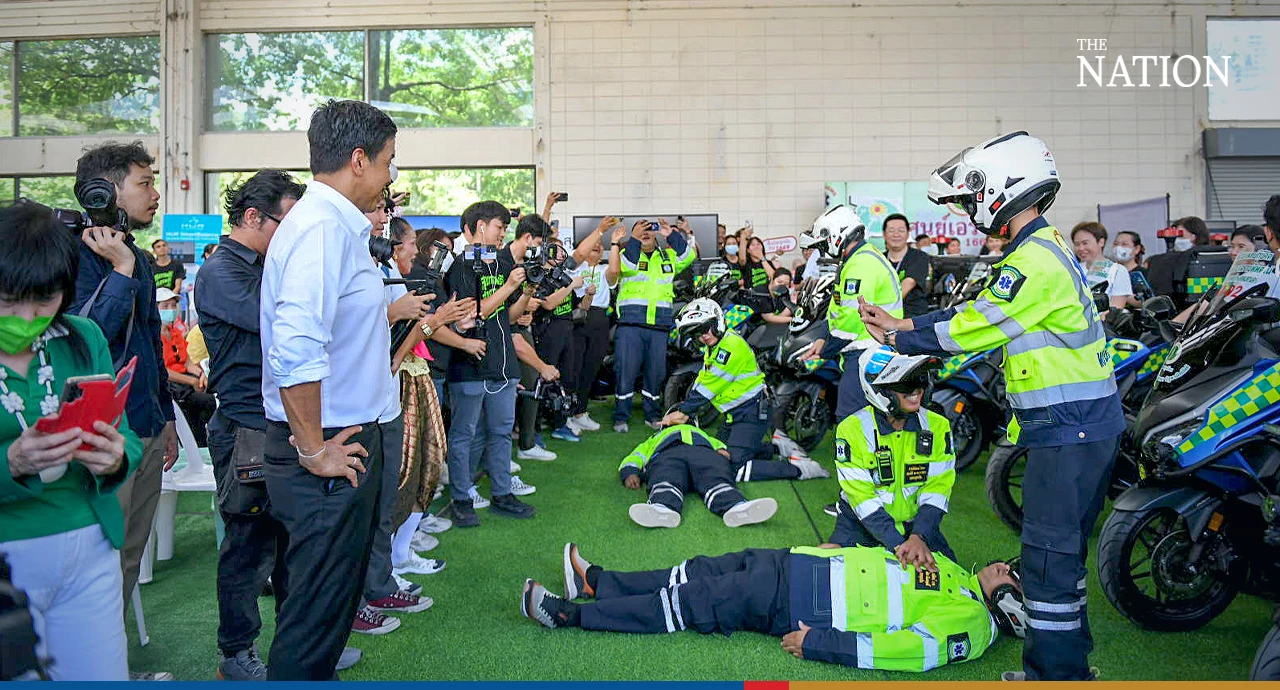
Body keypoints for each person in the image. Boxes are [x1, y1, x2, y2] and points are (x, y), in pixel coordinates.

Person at [859, 131, 1123, 681]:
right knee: (1062, 554)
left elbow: (975, 325)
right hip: (1079, 425)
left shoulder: (1035, 260)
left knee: (1049, 559)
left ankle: (1055, 675)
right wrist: (903, 325)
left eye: (968, 196)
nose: (967, 207)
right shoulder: (1041, 251)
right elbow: (982, 309)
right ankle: (1071, 666)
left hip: (1069, 428)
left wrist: (900, 336)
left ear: (1000, 188)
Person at [196, 170, 367, 679]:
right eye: (285, 223)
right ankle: (237, 652)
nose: (295, 235)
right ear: (252, 217)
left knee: (294, 547)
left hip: (281, 424)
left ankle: (301, 647)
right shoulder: (223, 271)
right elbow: (287, 321)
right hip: (247, 426)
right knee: (248, 548)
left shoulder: (270, 263)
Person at [258, 99, 401, 680]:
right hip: (327, 448)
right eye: (390, 162)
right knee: (314, 617)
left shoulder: (337, 228)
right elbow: (295, 348)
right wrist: (314, 447)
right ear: (359, 160)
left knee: (323, 607)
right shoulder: (321, 228)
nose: (392, 177)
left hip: (345, 437)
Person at [0, 202, 143, 680]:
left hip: (88, 547)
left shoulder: (79, 337)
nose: (27, 316)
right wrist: (11, 463)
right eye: (8, 301)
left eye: (44, 300)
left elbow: (123, 435)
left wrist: (115, 458)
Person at [521, 542, 1028, 673]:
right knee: (698, 570)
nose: (1003, 567)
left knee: (693, 602)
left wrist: (821, 644)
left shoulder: (972, 624)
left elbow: (907, 651)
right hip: (798, 565)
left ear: (1009, 603)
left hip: (801, 604)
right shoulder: (957, 572)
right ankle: (599, 583)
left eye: (1011, 576)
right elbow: (886, 567)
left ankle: (569, 615)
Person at [68, 141, 177, 681]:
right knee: (101, 562)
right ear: (103, 193)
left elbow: (149, 346)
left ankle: (109, 665)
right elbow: (89, 344)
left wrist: (167, 420)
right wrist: (120, 270)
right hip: (101, 435)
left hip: (144, 426)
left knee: (130, 557)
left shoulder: (130, 253)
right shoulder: (74, 257)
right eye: (145, 183)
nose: (155, 194)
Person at [441, 200, 536, 528]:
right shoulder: (462, 266)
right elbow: (469, 315)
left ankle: (502, 493)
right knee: (464, 433)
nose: (503, 235)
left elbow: (507, 317)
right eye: (499, 227)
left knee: (500, 432)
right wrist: (509, 286)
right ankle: (461, 497)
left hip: (503, 363)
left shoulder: (498, 265)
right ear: (480, 226)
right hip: (470, 365)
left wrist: (525, 293)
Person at [661, 298, 825, 481]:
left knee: (733, 467)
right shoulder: (715, 347)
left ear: (717, 322)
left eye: (705, 328)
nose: (703, 336)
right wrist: (684, 408)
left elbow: (710, 385)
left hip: (752, 413)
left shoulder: (730, 346)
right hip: (736, 414)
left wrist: (684, 412)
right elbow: (703, 378)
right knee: (719, 454)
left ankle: (801, 470)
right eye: (697, 333)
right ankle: (778, 448)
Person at [829, 347, 956, 569]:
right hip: (861, 526)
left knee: (951, 578)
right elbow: (862, 499)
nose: (916, 390)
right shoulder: (851, 430)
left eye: (920, 381)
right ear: (879, 391)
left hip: (917, 530)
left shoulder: (938, 426)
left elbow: (938, 488)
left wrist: (919, 537)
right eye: (905, 384)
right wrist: (899, 545)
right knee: (835, 577)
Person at [798, 204, 903, 421]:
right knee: (865, 420)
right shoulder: (856, 259)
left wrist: (825, 348)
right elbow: (837, 309)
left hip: (869, 351)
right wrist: (822, 337)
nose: (823, 250)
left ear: (836, 235)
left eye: (823, 243)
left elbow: (853, 319)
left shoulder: (860, 264)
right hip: (866, 350)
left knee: (851, 419)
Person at [607, 218, 696, 432]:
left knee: (655, 373)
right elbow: (625, 268)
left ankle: (652, 414)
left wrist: (671, 235)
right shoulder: (626, 255)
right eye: (641, 229)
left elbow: (689, 256)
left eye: (650, 229)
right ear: (635, 233)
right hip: (631, 325)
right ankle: (621, 416)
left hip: (659, 326)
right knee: (625, 372)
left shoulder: (668, 255)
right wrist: (634, 240)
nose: (646, 232)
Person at [617, 424, 778, 529]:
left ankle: (736, 506)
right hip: (669, 454)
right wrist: (629, 472)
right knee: (666, 474)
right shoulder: (655, 438)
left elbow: (719, 446)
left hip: (703, 453)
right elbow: (636, 455)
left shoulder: (702, 434)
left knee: (715, 474)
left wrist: (722, 449)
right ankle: (662, 507)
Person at [566, 227, 617, 433]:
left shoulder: (605, 268)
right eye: (593, 244)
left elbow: (614, 273)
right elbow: (578, 255)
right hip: (578, 318)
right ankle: (567, 413)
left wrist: (614, 243)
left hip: (599, 319)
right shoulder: (574, 267)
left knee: (591, 367)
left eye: (600, 245)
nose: (597, 246)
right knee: (574, 367)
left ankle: (581, 411)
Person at [156, 287, 215, 447]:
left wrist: (201, 375)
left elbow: (188, 362)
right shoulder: (154, 336)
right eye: (165, 306)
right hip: (171, 388)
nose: (171, 310)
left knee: (210, 398)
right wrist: (192, 381)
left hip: (186, 383)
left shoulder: (175, 332)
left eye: (173, 305)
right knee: (205, 402)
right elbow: (164, 371)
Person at [1071, 222, 1133, 311]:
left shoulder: (1117, 271)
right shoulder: (1073, 269)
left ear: (1101, 242)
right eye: (1077, 244)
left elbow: (1115, 308)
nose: (1081, 248)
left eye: (1085, 243)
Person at [883, 214, 932, 318]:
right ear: (884, 234)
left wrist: (879, 310)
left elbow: (906, 286)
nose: (896, 235)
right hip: (881, 318)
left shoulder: (920, 257)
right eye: (891, 231)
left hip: (911, 320)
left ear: (907, 234)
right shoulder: (878, 259)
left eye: (901, 230)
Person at [1111, 230, 1153, 307]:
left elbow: (1148, 301)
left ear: (1137, 249)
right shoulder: (1109, 272)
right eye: (1115, 244)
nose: (1118, 248)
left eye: (1124, 244)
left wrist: (1123, 295)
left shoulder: (1143, 274)